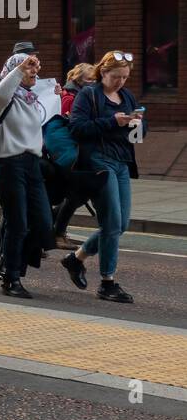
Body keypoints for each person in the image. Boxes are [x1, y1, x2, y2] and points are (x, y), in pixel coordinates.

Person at [61, 51, 144, 304]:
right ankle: (107, 283)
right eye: (116, 76)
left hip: (121, 163)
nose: (120, 82)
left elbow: (138, 133)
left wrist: (138, 123)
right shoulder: (89, 95)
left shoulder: (126, 96)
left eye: (125, 77)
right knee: (111, 224)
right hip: (99, 162)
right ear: (103, 73)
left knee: (121, 225)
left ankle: (75, 259)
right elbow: (77, 128)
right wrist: (111, 121)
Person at [0, 53, 51, 299]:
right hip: (10, 165)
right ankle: (10, 277)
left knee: (43, 223)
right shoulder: (4, 98)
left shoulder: (32, 99)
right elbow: (1, 91)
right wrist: (20, 68)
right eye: (27, 70)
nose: (33, 73)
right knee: (18, 224)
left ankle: (6, 261)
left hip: (32, 165)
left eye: (35, 69)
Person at [49, 63, 98, 250]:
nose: (93, 83)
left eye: (94, 79)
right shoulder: (70, 98)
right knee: (76, 194)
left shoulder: (82, 95)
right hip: (70, 154)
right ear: (78, 79)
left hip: (77, 153)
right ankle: (57, 231)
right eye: (89, 80)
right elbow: (66, 125)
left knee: (77, 195)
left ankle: (52, 224)